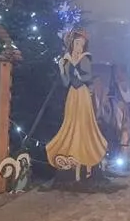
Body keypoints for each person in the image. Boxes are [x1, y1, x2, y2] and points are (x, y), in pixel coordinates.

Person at [46, 29, 108, 181]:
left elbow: (88, 76)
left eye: (82, 44)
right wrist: (62, 68)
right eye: (77, 43)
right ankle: (71, 155)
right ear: (72, 44)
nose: (79, 46)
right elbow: (66, 82)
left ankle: (86, 155)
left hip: (82, 94)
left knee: (83, 124)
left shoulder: (85, 58)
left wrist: (80, 75)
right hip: (72, 95)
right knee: (71, 122)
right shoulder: (67, 60)